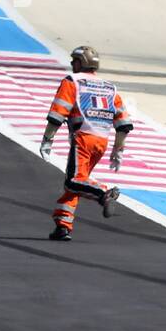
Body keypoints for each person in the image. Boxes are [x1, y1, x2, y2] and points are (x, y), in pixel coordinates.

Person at [40, 45, 132, 241]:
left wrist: (48, 138)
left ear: (81, 63)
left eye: (74, 61)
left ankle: (104, 193)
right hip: (102, 141)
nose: (72, 64)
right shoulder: (109, 87)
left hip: (83, 138)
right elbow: (123, 123)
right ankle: (63, 225)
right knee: (78, 182)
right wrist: (118, 149)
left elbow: (58, 112)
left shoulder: (72, 81)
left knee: (73, 181)